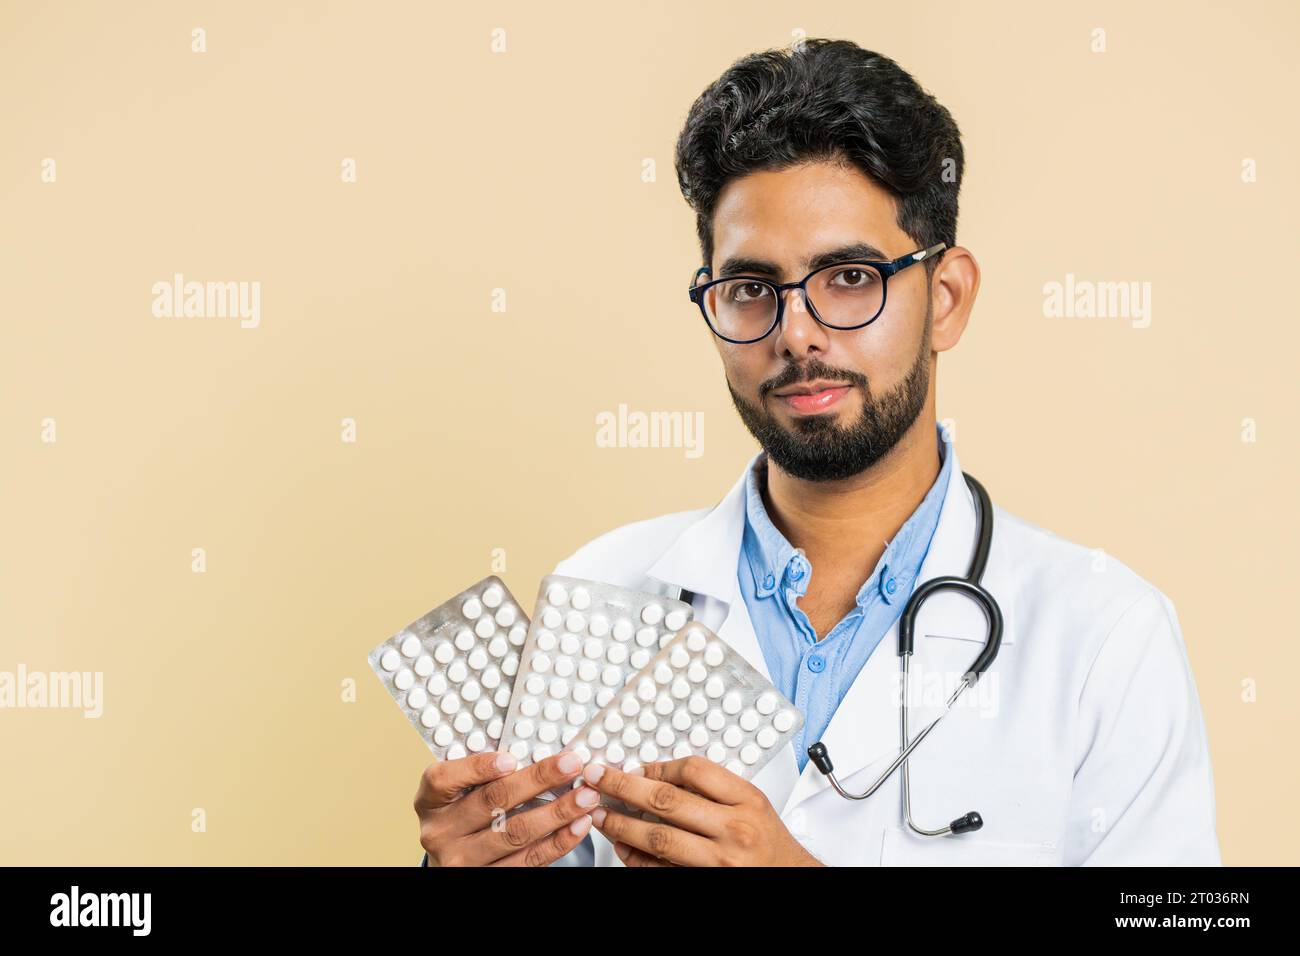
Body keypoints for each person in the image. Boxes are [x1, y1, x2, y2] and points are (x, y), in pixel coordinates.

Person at [414, 38, 1220, 867]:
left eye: (849, 278)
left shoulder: (1105, 636)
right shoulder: (602, 592)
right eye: (750, 289)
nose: (796, 334)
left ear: (945, 299)